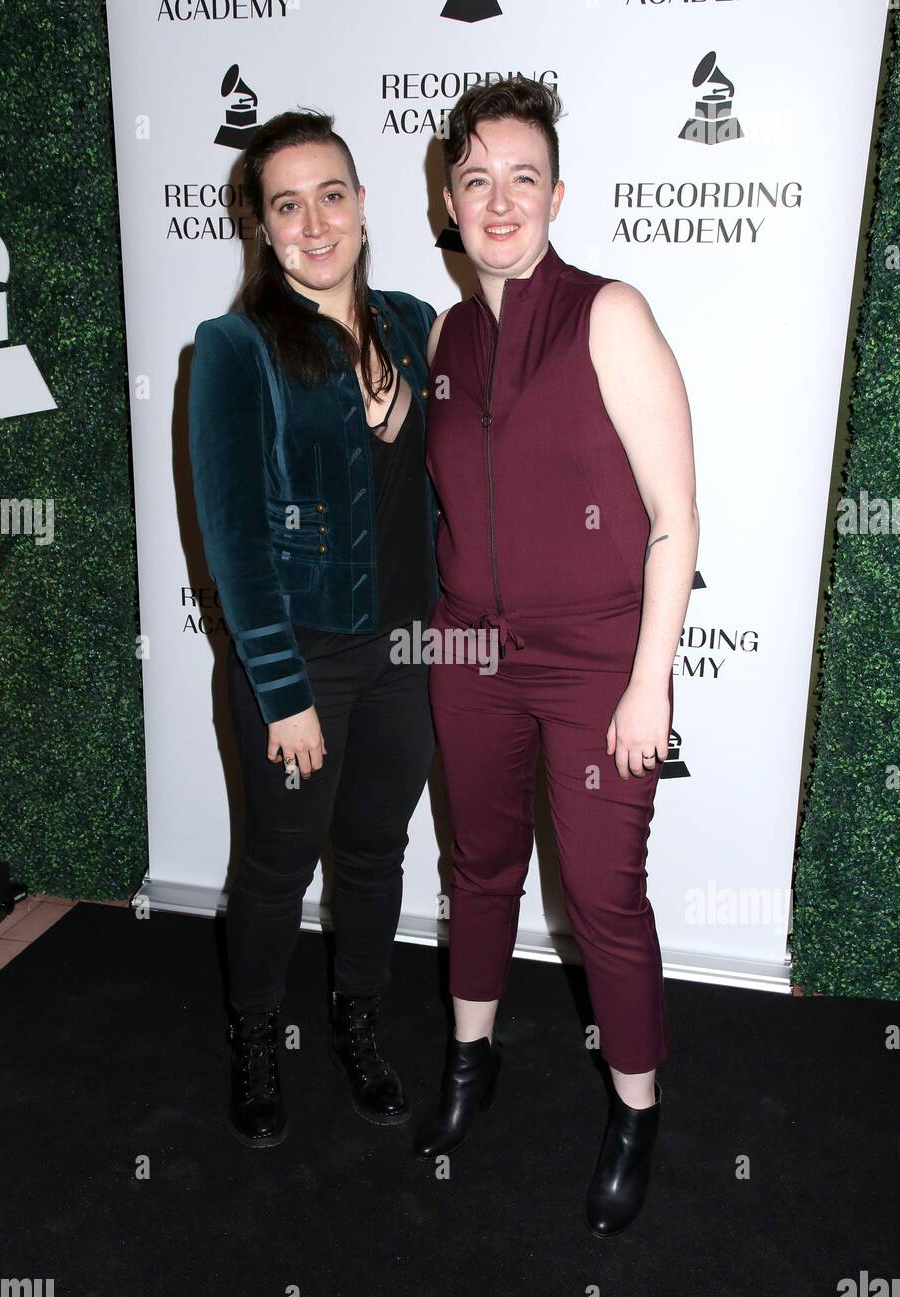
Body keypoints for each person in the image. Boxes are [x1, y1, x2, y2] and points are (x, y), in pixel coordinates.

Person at [414, 78, 699, 1237]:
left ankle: (633, 1111)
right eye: (475, 177)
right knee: (476, 870)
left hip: (593, 666)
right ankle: (471, 1062)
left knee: (600, 898)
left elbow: (674, 519)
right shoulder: (443, 334)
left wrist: (648, 679)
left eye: (520, 177)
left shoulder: (607, 313)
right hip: (469, 655)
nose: (498, 198)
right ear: (449, 197)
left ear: (555, 194)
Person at [188, 111, 441, 1148]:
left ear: (361, 201)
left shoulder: (417, 320)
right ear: (261, 225)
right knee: (276, 867)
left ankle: (356, 1022)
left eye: (329, 193)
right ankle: (255, 1035)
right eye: (285, 204)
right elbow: (233, 538)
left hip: (407, 656)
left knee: (377, 854)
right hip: (296, 660)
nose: (313, 220)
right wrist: (281, 688)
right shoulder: (233, 348)